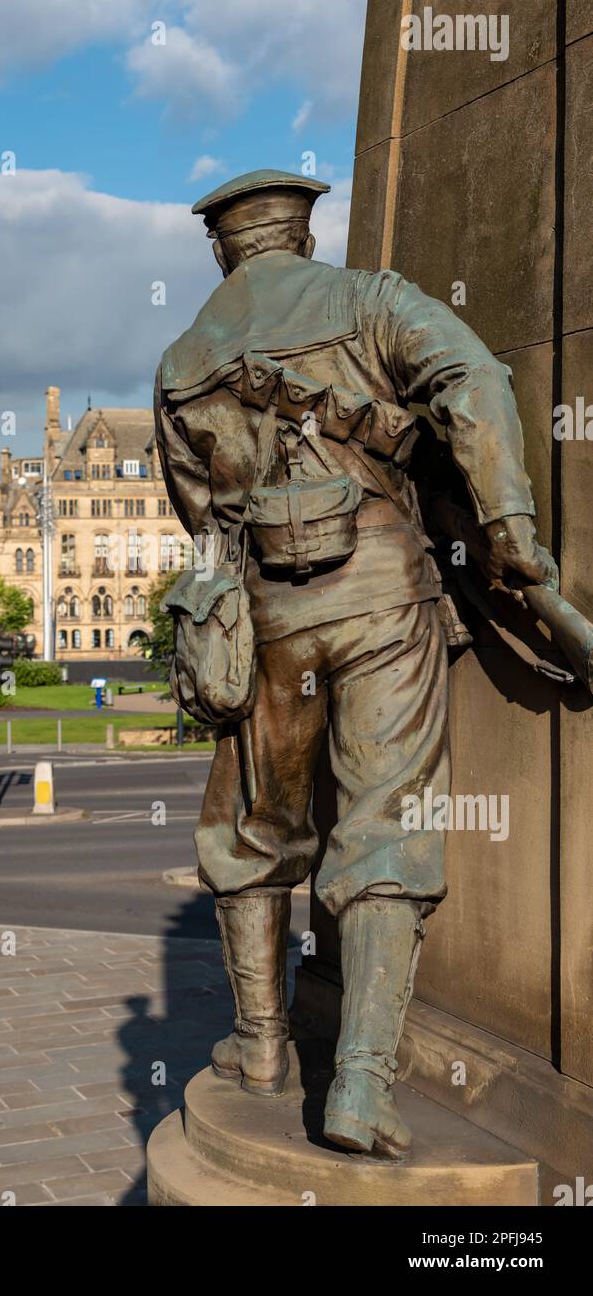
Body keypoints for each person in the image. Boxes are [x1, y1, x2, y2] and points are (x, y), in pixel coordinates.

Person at [154, 169, 556, 1158]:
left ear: (221, 249)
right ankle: (363, 1085)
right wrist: (506, 524)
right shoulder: (370, 300)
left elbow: (202, 521)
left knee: (252, 831)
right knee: (386, 825)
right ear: (302, 230)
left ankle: (260, 1049)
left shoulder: (183, 360)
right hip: (383, 595)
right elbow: (477, 381)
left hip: (264, 616)